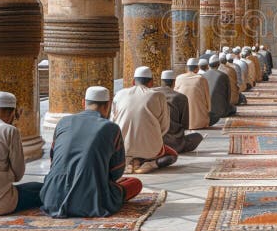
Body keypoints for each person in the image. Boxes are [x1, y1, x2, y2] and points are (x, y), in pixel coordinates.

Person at [41, 86, 143, 218]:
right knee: (134, 183)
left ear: (84, 103)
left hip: (52, 198)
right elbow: (116, 172)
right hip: (92, 201)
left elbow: (53, 160)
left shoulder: (63, 122)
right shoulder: (111, 128)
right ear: (108, 105)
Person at [112, 66, 176, 174]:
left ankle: (128, 163)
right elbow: (164, 126)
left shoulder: (119, 94)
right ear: (151, 82)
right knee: (172, 155)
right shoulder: (158, 96)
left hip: (123, 149)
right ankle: (149, 164)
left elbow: (113, 122)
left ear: (133, 81)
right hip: (150, 149)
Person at [156, 70, 203, 154]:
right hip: (174, 143)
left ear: (161, 81)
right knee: (198, 136)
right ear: (174, 82)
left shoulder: (152, 94)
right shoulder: (181, 97)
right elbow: (185, 125)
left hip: (154, 143)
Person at [175, 58, 212, 129]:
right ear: (197, 68)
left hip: (182, 122)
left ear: (187, 68)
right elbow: (208, 100)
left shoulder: (179, 78)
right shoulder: (201, 79)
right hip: (199, 122)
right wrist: (208, 111)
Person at [205, 55, 236, 122]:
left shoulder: (203, 76)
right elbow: (228, 95)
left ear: (209, 65)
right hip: (221, 112)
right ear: (219, 64)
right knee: (233, 108)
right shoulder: (223, 75)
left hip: (206, 111)